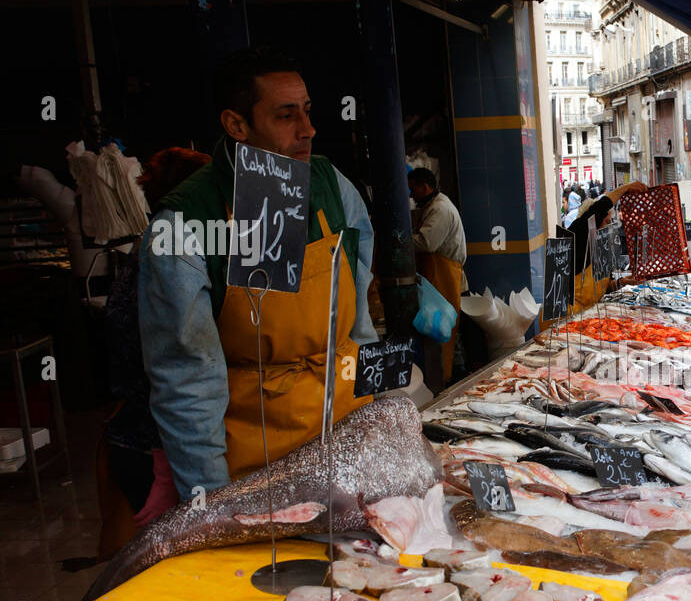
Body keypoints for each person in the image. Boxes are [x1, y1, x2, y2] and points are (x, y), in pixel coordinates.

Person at [136, 46, 378, 505]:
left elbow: (359, 322)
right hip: (263, 469)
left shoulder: (331, 185)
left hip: (351, 445)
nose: (308, 129)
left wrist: (375, 413)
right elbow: (185, 381)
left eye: (307, 112)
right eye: (287, 115)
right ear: (236, 125)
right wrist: (213, 504)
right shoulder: (186, 225)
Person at [99, 147, 210, 558]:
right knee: (151, 564)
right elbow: (174, 368)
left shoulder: (149, 248)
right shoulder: (169, 255)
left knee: (135, 556)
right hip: (155, 446)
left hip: (129, 435)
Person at [408, 167, 467, 388]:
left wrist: (399, 239)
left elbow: (427, 242)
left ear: (424, 187)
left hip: (447, 276)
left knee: (449, 331)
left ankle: (451, 379)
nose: (412, 195)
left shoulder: (440, 208)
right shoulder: (434, 206)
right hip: (438, 276)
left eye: (413, 189)